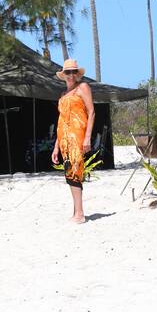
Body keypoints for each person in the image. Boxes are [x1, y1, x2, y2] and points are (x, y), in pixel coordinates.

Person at [52, 58, 95, 223]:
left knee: (75, 171)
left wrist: (87, 137)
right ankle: (76, 211)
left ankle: (80, 214)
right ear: (63, 75)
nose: (71, 75)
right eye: (67, 72)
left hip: (77, 136)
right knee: (69, 172)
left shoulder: (82, 87)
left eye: (73, 72)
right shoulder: (63, 95)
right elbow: (60, 121)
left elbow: (91, 112)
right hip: (63, 138)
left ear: (77, 74)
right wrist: (56, 147)